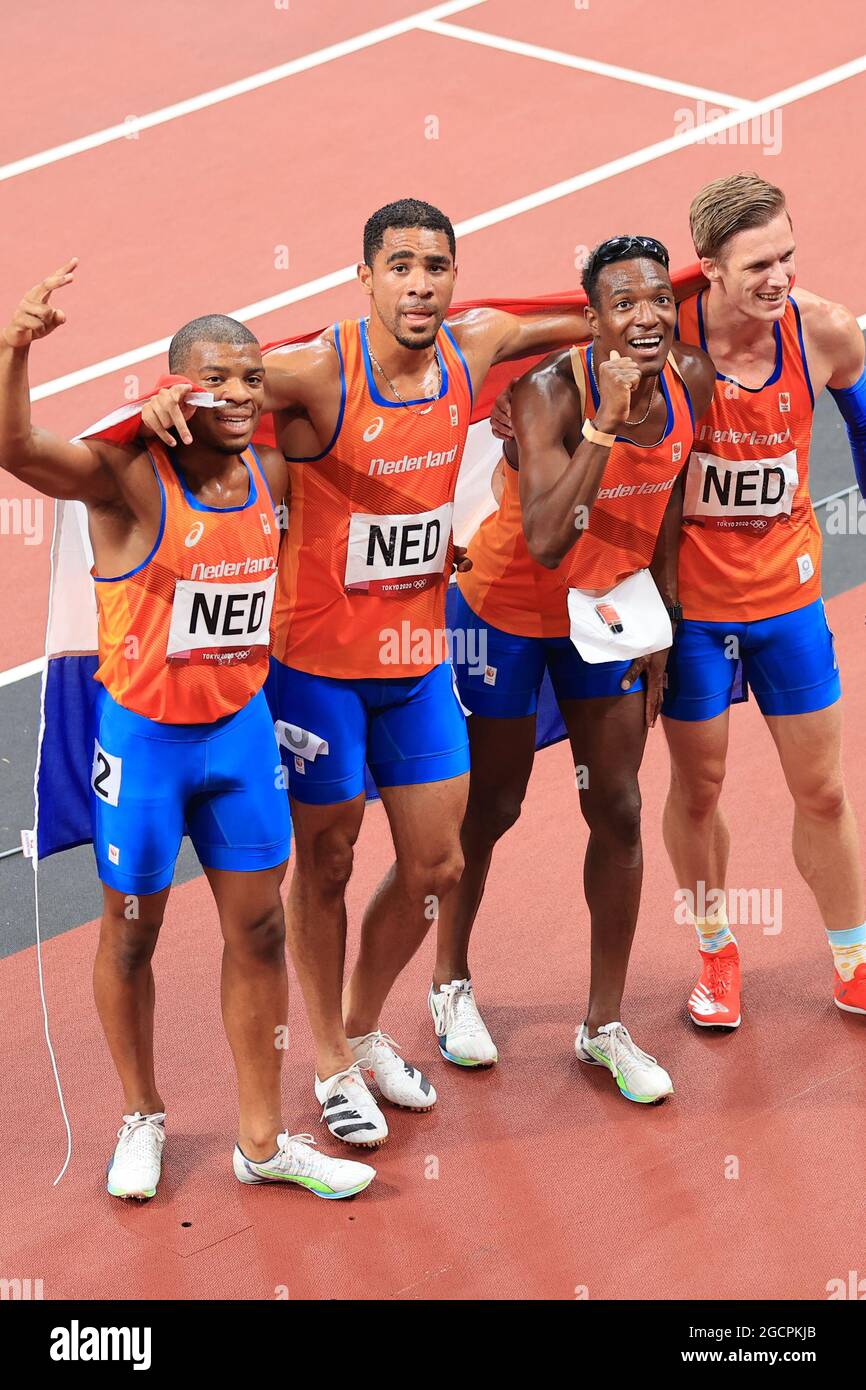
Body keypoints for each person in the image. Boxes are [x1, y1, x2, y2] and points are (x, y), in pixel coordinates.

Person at [143, 197, 604, 1144]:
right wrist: (161, 397)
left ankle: (361, 1026)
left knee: (438, 860)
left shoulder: (479, 346)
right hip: (314, 670)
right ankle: (326, 1060)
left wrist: (675, 302)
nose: (421, 285)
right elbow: (212, 385)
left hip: (417, 663)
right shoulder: (316, 370)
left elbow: (598, 311)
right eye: (400, 267)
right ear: (365, 277)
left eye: (436, 267)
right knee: (328, 865)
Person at [0, 262, 375, 1201]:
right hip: (148, 748)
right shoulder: (125, 479)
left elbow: (360, 392)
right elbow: (14, 445)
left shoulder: (271, 464)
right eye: (220, 380)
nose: (244, 395)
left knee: (258, 933)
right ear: (179, 389)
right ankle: (141, 1115)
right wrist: (14, 350)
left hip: (241, 743)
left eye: (254, 378)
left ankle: (262, 1139)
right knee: (131, 938)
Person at [435, 236, 714, 1102]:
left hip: (609, 614)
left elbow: (667, 496)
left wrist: (663, 612)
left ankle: (604, 1025)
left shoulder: (690, 379)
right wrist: (603, 423)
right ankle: (450, 984)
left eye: (658, 300)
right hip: (509, 611)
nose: (647, 317)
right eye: (623, 303)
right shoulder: (547, 394)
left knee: (620, 807)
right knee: (494, 805)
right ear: (590, 317)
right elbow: (551, 540)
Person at [660, 172, 866, 1027]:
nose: (778, 278)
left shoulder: (822, 330)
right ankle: (716, 949)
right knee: (699, 786)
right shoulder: (662, 342)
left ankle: (853, 957)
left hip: (788, 597)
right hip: (692, 612)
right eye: (756, 267)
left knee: (821, 789)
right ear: (707, 266)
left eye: (786, 255)